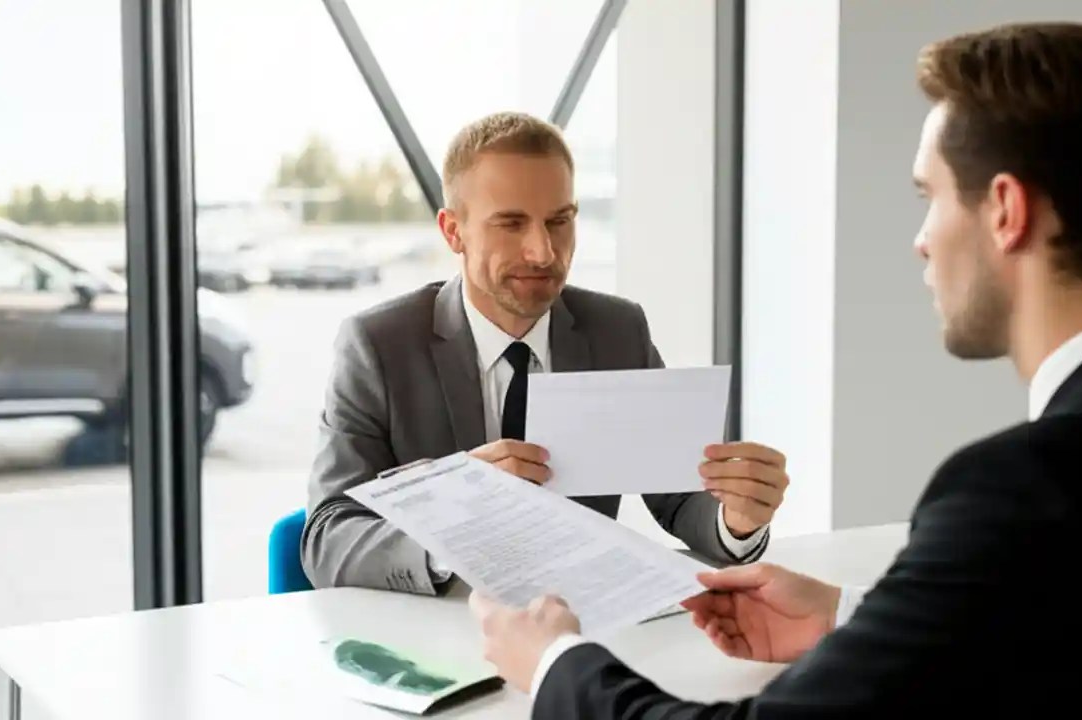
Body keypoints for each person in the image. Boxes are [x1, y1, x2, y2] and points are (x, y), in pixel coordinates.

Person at [469, 21, 1082, 717]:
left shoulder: (1020, 492)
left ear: (1005, 211)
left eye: (928, 197)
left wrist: (553, 662)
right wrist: (853, 618)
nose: (919, 241)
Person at [301, 111, 790, 594]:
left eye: (560, 221)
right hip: (443, 634)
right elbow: (327, 537)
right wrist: (454, 527)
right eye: (511, 224)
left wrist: (737, 519)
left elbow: (680, 496)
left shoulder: (618, 331)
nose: (543, 252)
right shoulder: (378, 346)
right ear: (453, 231)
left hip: (583, 626)